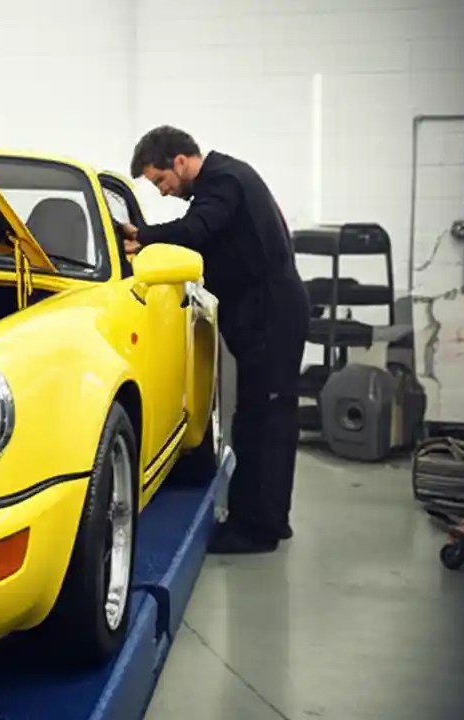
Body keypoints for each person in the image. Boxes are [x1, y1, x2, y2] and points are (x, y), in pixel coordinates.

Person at [118, 126, 310, 554]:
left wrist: (143, 238)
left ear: (180, 162)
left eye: (161, 181)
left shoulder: (223, 181)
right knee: (265, 419)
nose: (164, 192)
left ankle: (255, 529)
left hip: (271, 314)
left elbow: (194, 231)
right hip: (269, 312)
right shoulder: (227, 179)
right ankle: (269, 519)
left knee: (264, 422)